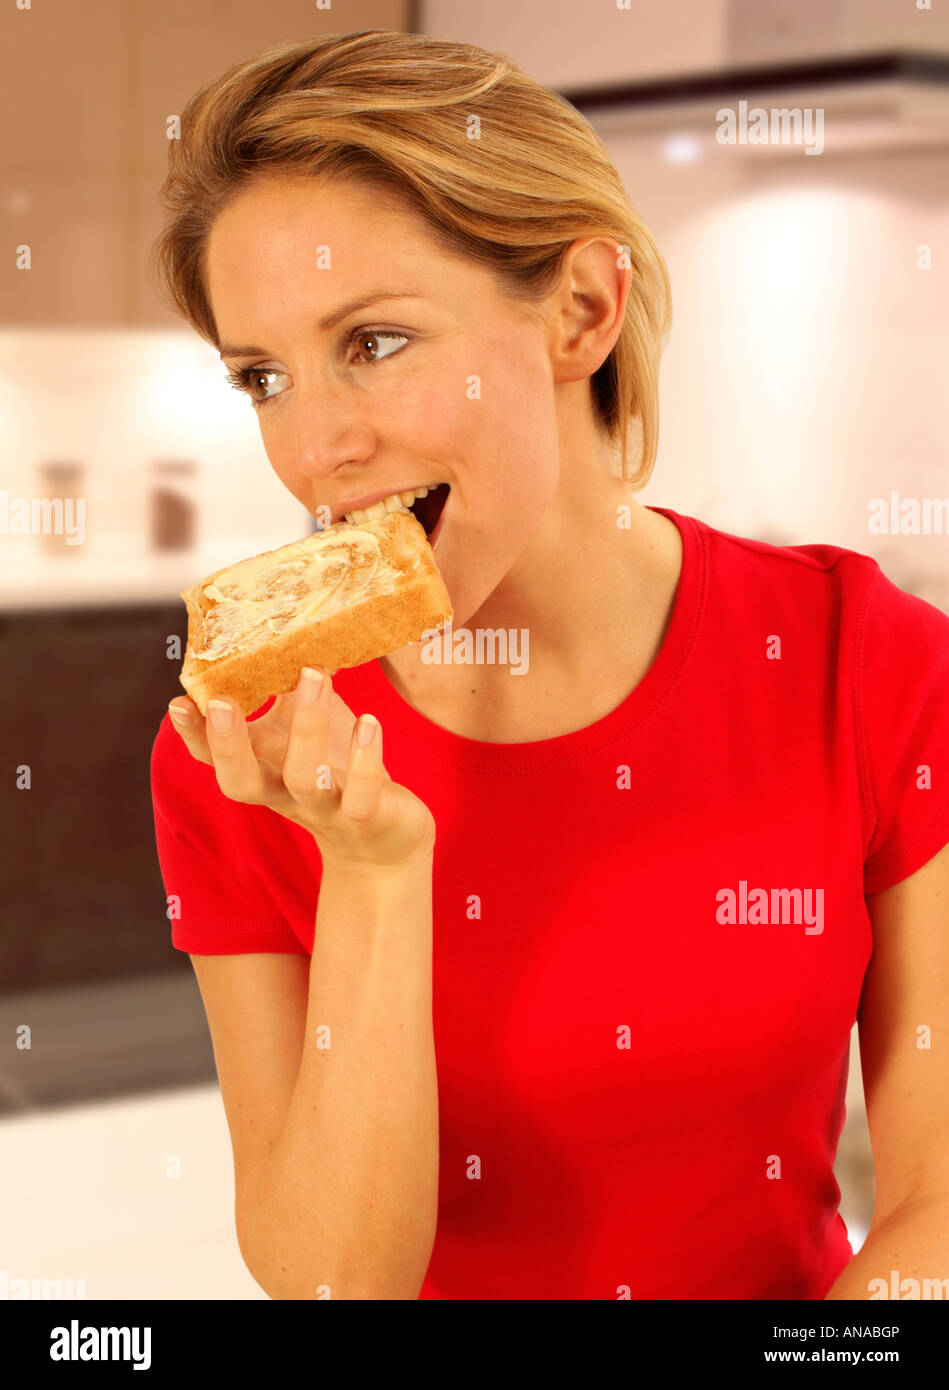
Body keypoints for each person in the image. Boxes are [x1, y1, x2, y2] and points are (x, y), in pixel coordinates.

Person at [149, 31, 949, 1301]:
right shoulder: (246, 747)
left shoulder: (864, 660)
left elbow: (936, 1208)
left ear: (581, 309)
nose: (311, 453)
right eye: (263, 377)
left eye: (373, 343)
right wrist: (371, 879)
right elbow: (329, 1288)